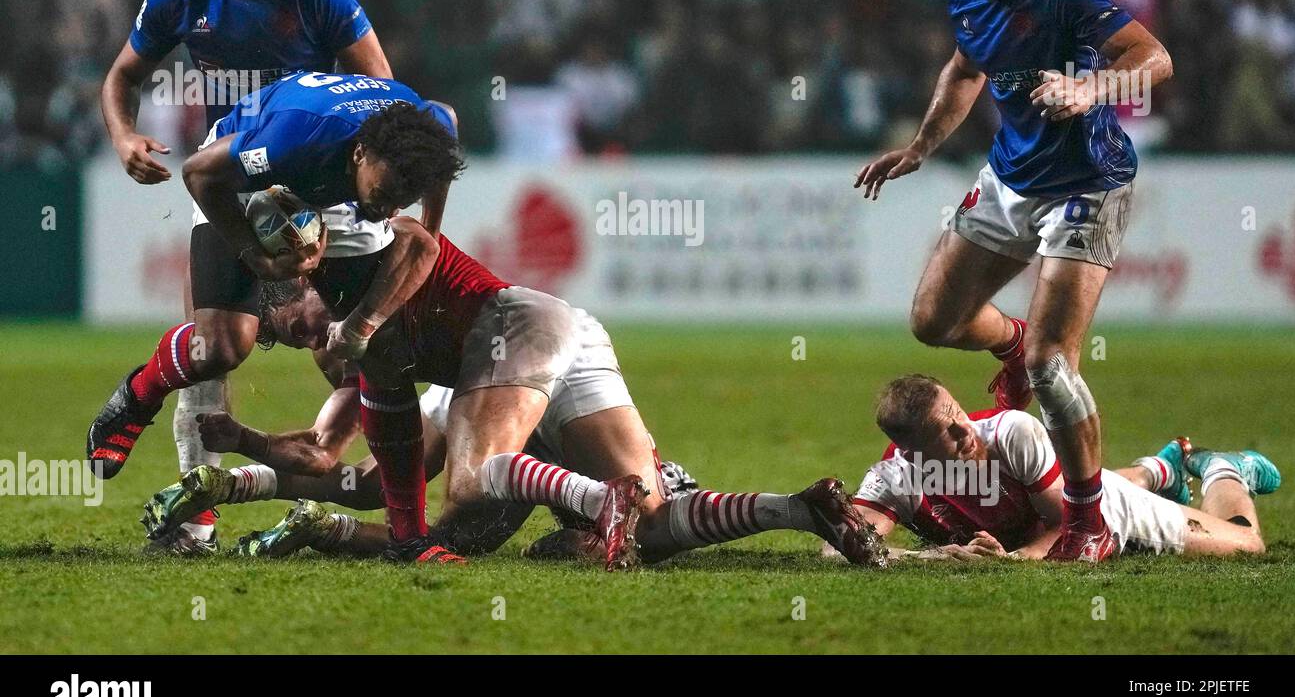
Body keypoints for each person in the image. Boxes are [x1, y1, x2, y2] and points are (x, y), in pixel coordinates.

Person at [140, 222, 887, 569]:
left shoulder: (359, 278)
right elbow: (331, 456)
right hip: (557, 349)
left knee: (464, 483)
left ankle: (599, 505)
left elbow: (418, 241)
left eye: (290, 329)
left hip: (513, 341)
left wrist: (361, 321)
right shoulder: (368, 352)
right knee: (649, 527)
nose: (302, 345)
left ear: (301, 282)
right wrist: (227, 464)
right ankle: (797, 508)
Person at [853, 0, 1174, 560]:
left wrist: (1094, 88)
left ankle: (1089, 528)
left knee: (1055, 366)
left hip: (1086, 183)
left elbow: (1154, 57)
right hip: (1010, 176)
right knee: (932, 321)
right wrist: (920, 146)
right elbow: (967, 69)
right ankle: (1011, 346)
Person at [97, 0, 395, 552]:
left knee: (355, 352)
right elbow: (122, 77)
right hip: (231, 171)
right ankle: (193, 516)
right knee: (215, 348)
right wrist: (123, 135)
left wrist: (350, 182)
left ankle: (391, 495)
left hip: (322, 178)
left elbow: (381, 88)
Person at [87, 75, 463, 553]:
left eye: (400, 199)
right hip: (244, 183)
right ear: (361, 153)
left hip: (341, 198)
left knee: (382, 352)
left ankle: (411, 537)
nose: (389, 208)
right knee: (221, 348)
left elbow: (445, 118)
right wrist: (252, 255)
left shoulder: (414, 142)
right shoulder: (293, 140)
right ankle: (138, 397)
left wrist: (430, 227)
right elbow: (199, 172)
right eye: (387, 191)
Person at [845, 374, 1278, 562]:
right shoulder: (894, 476)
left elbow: (1071, 524)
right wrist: (932, 560)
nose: (966, 429)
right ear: (912, 452)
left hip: (1103, 512)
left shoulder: (1011, 432)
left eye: (958, 411)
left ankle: (1225, 469)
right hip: (1059, 488)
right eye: (947, 431)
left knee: (1246, 545)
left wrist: (1012, 562)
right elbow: (843, 546)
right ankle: (1156, 471)